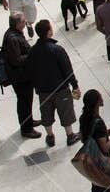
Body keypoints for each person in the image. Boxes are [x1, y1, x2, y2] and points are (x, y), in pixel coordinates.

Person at [26, 19, 80, 148]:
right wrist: (75, 85)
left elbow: (30, 70)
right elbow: (67, 69)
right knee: (65, 111)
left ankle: (50, 136)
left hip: (43, 91)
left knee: (46, 114)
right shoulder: (57, 49)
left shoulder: (32, 51)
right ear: (49, 32)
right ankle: (70, 135)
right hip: (60, 89)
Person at [2, 11, 40, 138]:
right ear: (18, 24)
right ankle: (26, 128)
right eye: (23, 21)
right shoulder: (12, 38)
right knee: (24, 102)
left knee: (27, 101)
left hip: (23, 75)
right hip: (20, 77)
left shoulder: (15, 33)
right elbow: (16, 60)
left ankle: (29, 121)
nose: (25, 23)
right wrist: (32, 54)